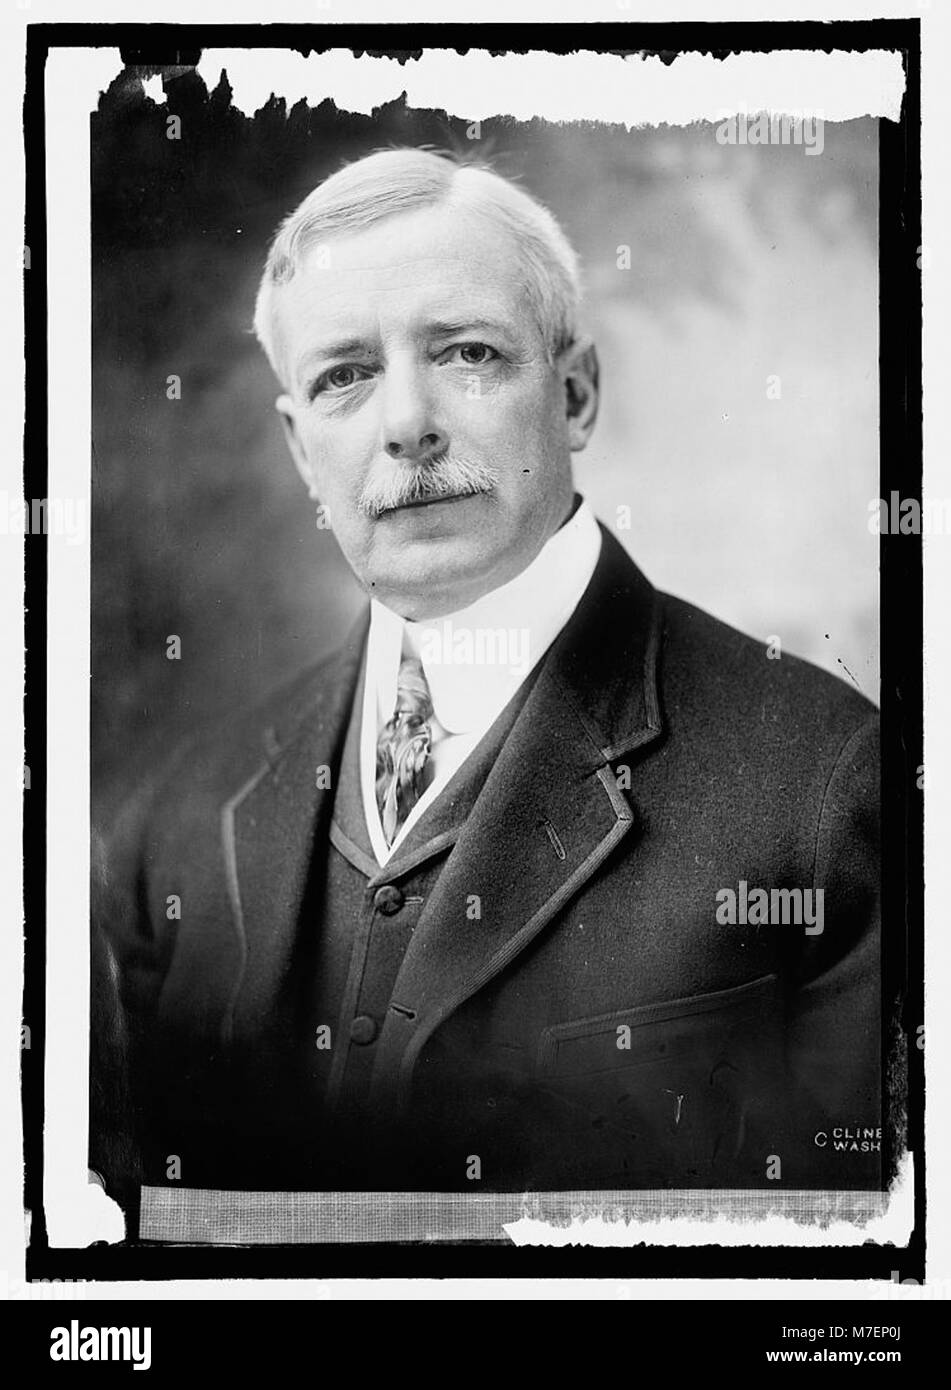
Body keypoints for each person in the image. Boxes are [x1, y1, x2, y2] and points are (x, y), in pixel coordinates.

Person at [92, 148, 880, 1209]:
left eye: (466, 352)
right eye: (345, 375)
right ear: (299, 452)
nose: (406, 422)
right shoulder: (168, 829)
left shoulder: (829, 784)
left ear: (576, 395)